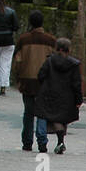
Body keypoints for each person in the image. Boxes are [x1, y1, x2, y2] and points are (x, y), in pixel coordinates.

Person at [12, 9, 57, 152]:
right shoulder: (50, 40)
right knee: (42, 112)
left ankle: (27, 141)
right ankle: (42, 140)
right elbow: (55, 61)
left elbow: (17, 61)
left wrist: (17, 77)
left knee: (28, 112)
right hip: (44, 82)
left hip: (27, 80)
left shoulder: (23, 40)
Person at [34, 37, 82, 154]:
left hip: (47, 93)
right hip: (66, 96)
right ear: (68, 49)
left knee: (42, 115)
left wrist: (44, 85)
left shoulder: (49, 61)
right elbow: (76, 83)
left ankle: (42, 141)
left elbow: (41, 75)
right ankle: (60, 142)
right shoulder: (74, 64)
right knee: (60, 118)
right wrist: (78, 99)